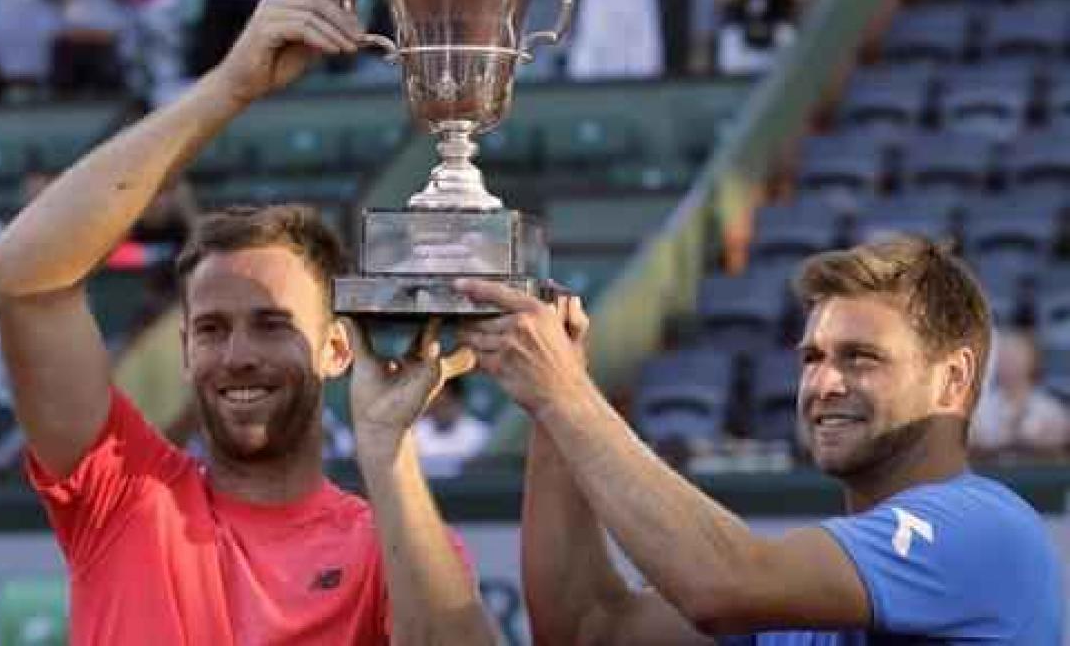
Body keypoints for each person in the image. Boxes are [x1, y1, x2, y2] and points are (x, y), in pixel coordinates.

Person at [0, 0, 494, 644]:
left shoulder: (391, 542)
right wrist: (230, 87)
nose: (239, 354)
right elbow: (25, 277)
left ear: (337, 348)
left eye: (273, 322)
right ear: (187, 349)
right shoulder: (125, 493)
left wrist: (386, 449)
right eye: (212, 328)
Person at [455, 235, 1064, 643]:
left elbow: (721, 583)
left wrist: (568, 393)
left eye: (861, 357)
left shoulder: (986, 529)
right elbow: (588, 626)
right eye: (812, 358)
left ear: (953, 379)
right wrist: (548, 402)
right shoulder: (811, 585)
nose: (823, 383)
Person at [971, 327, 1070, 459]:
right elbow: (970, 442)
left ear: (1033, 359)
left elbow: (1057, 442)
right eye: (1003, 356)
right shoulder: (979, 407)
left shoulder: (1051, 407)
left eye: (1015, 356)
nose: (1008, 362)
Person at [415, 377, 491, 478]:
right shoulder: (415, 433)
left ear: (458, 401)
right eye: (435, 405)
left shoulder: (479, 434)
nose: (440, 411)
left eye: (444, 404)